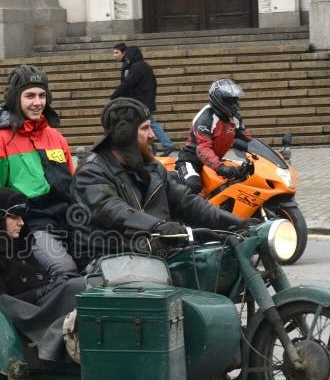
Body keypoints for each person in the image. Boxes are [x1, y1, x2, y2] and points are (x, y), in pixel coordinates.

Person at [71, 98, 248, 259]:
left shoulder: (153, 168)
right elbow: (111, 209)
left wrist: (237, 223)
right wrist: (156, 226)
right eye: (145, 128)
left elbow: (187, 203)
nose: (153, 135)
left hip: (156, 256)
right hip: (110, 263)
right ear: (124, 135)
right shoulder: (92, 172)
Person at [0, 65, 78, 277]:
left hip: (68, 220)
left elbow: (73, 186)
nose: (38, 102)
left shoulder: (56, 137)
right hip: (31, 226)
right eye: (30, 96)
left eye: (42, 95)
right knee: (66, 271)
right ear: (16, 99)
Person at [0, 187, 83, 362]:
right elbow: (1, 305)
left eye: (22, 216)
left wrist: (53, 285)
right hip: (29, 317)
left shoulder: (18, 243)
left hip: (43, 303)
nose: (21, 222)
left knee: (93, 281)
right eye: (15, 216)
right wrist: (44, 290)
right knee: (81, 289)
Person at [176, 78, 253, 194]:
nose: (236, 105)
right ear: (220, 100)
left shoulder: (234, 118)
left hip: (215, 159)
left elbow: (248, 141)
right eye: (231, 101)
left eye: (236, 101)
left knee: (246, 175)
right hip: (191, 160)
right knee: (192, 186)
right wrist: (221, 168)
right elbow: (203, 148)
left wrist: (266, 157)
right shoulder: (205, 118)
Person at [110, 45, 175, 156]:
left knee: (150, 123)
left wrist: (115, 95)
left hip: (141, 101)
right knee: (145, 123)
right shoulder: (144, 66)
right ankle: (152, 147)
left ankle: (167, 144)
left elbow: (129, 83)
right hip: (145, 100)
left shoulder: (136, 67)